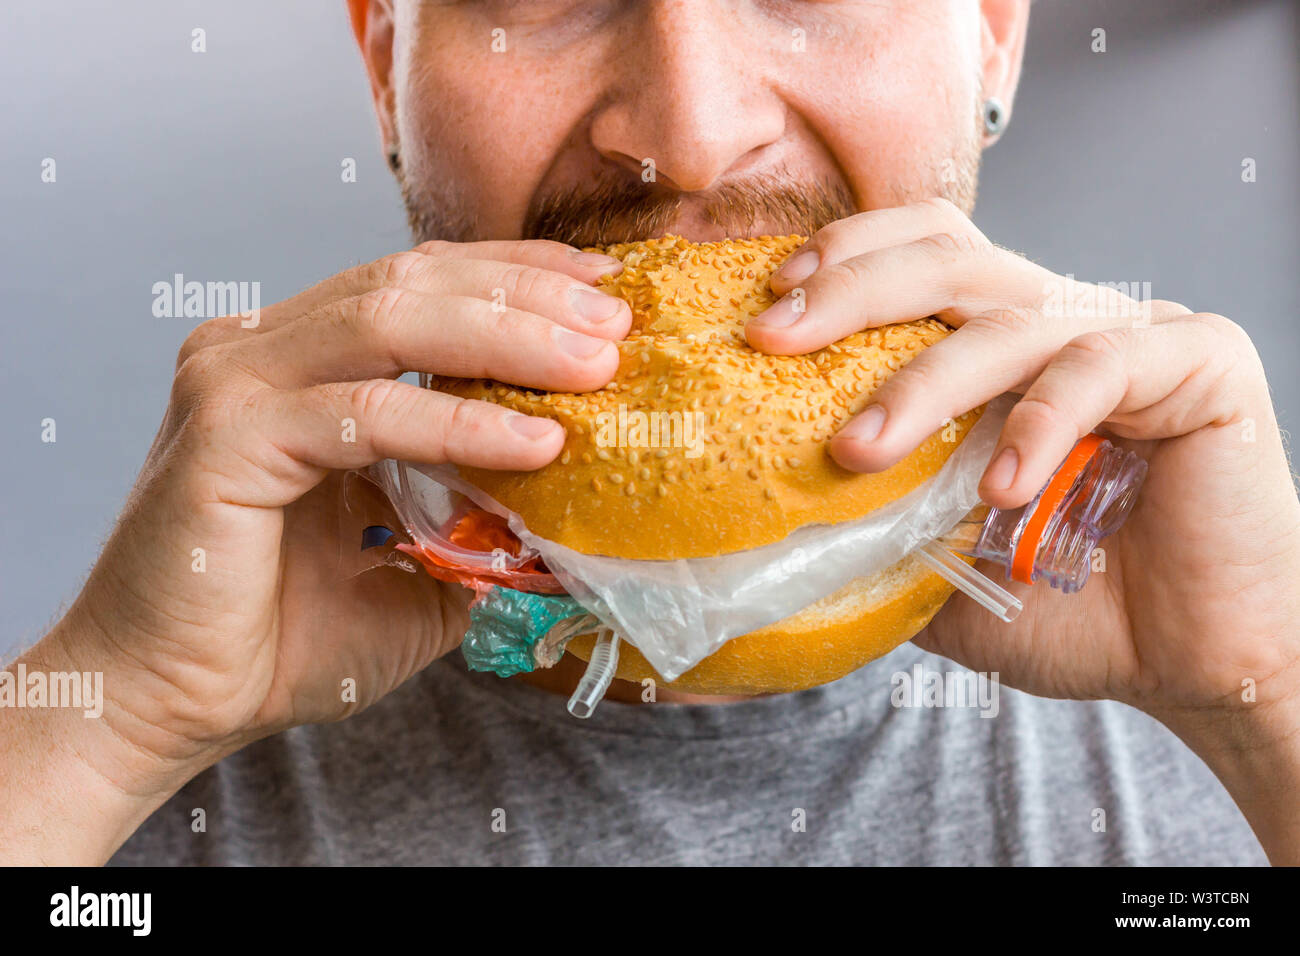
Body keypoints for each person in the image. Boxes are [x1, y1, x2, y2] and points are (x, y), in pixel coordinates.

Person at [3, 0, 1296, 866]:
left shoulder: (1222, 720)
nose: (690, 139)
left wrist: (1268, 696)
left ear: (994, 39)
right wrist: (105, 726)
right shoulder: (134, 752)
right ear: (387, 63)